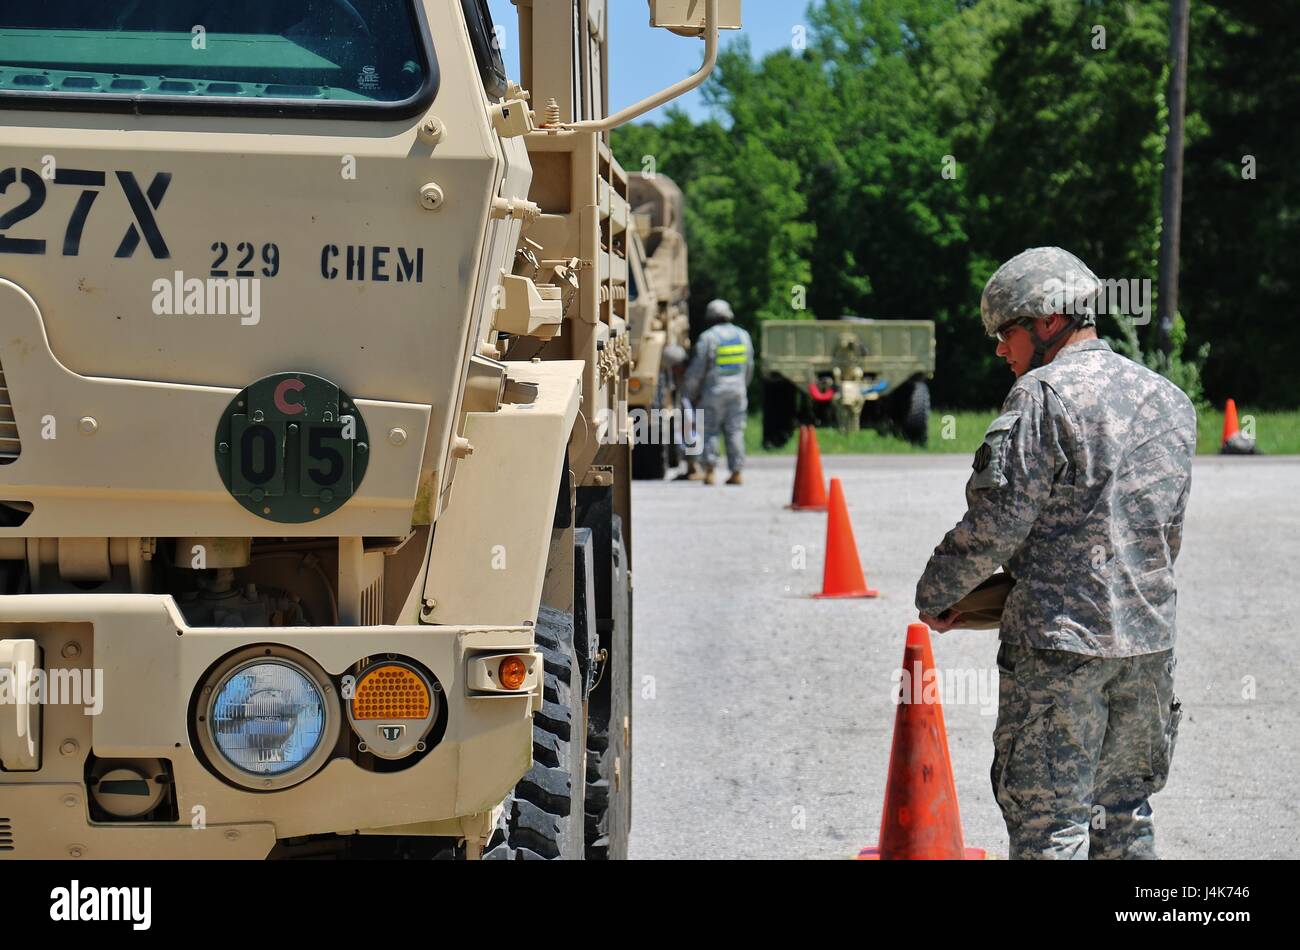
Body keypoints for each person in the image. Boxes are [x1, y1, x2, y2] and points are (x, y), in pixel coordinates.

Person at [914, 247, 1197, 860]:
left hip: (1058, 650)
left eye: (1005, 332)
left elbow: (998, 522)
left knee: (1052, 828)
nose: (999, 350)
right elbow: (1165, 533)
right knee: (1124, 820)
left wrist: (937, 593)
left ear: (1047, 321)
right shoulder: (1170, 400)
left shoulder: (1041, 396)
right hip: (1148, 647)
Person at [684, 299, 753, 485]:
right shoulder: (743, 335)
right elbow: (749, 367)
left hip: (714, 391)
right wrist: (743, 387)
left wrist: (690, 392)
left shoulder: (708, 337)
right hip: (737, 391)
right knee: (735, 431)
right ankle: (736, 472)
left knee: (709, 430)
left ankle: (710, 471)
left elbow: (698, 369)